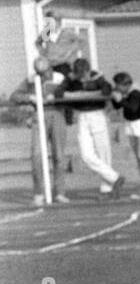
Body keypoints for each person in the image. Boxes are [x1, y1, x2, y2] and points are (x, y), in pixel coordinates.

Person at [9, 56, 69, 204]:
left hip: (57, 114)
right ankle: (39, 193)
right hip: (39, 115)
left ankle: (60, 192)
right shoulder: (31, 79)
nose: (43, 75)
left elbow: (68, 93)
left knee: (59, 155)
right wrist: (31, 97)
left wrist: (55, 96)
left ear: (50, 68)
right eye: (40, 72)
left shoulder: (60, 78)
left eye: (45, 71)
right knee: (36, 154)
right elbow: (15, 96)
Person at [61, 57, 124, 198]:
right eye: (79, 75)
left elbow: (107, 90)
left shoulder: (98, 77)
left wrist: (84, 94)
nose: (82, 79)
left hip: (97, 115)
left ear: (88, 71)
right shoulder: (71, 79)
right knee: (86, 155)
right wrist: (74, 91)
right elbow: (60, 92)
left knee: (103, 152)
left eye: (84, 75)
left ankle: (107, 189)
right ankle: (115, 178)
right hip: (82, 116)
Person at [110, 72, 140, 199]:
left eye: (118, 85)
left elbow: (133, 107)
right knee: (137, 157)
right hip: (130, 123)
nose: (117, 88)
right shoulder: (124, 92)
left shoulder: (135, 92)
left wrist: (121, 100)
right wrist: (115, 98)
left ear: (126, 85)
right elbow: (117, 106)